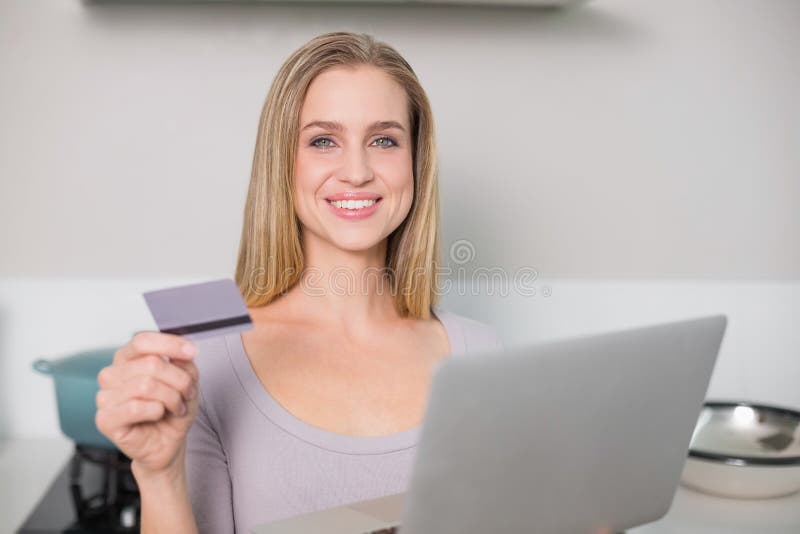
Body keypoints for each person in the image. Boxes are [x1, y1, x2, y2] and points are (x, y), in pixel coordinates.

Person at [95, 31, 502, 534]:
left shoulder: (482, 354)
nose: (357, 172)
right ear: (282, 162)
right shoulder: (200, 341)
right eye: (323, 140)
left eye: (384, 140)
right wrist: (158, 476)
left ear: (415, 162)